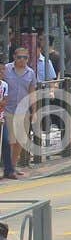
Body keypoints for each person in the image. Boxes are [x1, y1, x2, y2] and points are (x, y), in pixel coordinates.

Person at [2, 47, 37, 177]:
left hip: (23, 111)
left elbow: (32, 92)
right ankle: (8, 167)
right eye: (19, 57)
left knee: (20, 141)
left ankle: (13, 166)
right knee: (9, 141)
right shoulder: (6, 69)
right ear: (14, 57)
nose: (22, 60)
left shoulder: (30, 73)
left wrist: (34, 111)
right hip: (8, 110)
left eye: (25, 57)